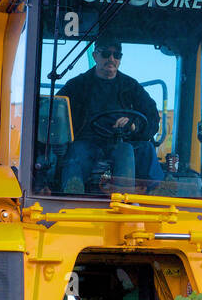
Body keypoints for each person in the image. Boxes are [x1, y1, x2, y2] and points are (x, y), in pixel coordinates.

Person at [56, 35, 159, 193]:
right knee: (76, 151)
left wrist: (134, 125)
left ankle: (157, 192)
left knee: (146, 149)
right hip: (88, 142)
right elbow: (56, 111)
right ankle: (72, 191)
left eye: (116, 55)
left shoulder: (132, 87)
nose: (111, 58)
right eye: (106, 53)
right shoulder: (77, 86)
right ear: (95, 55)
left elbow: (152, 117)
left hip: (124, 141)